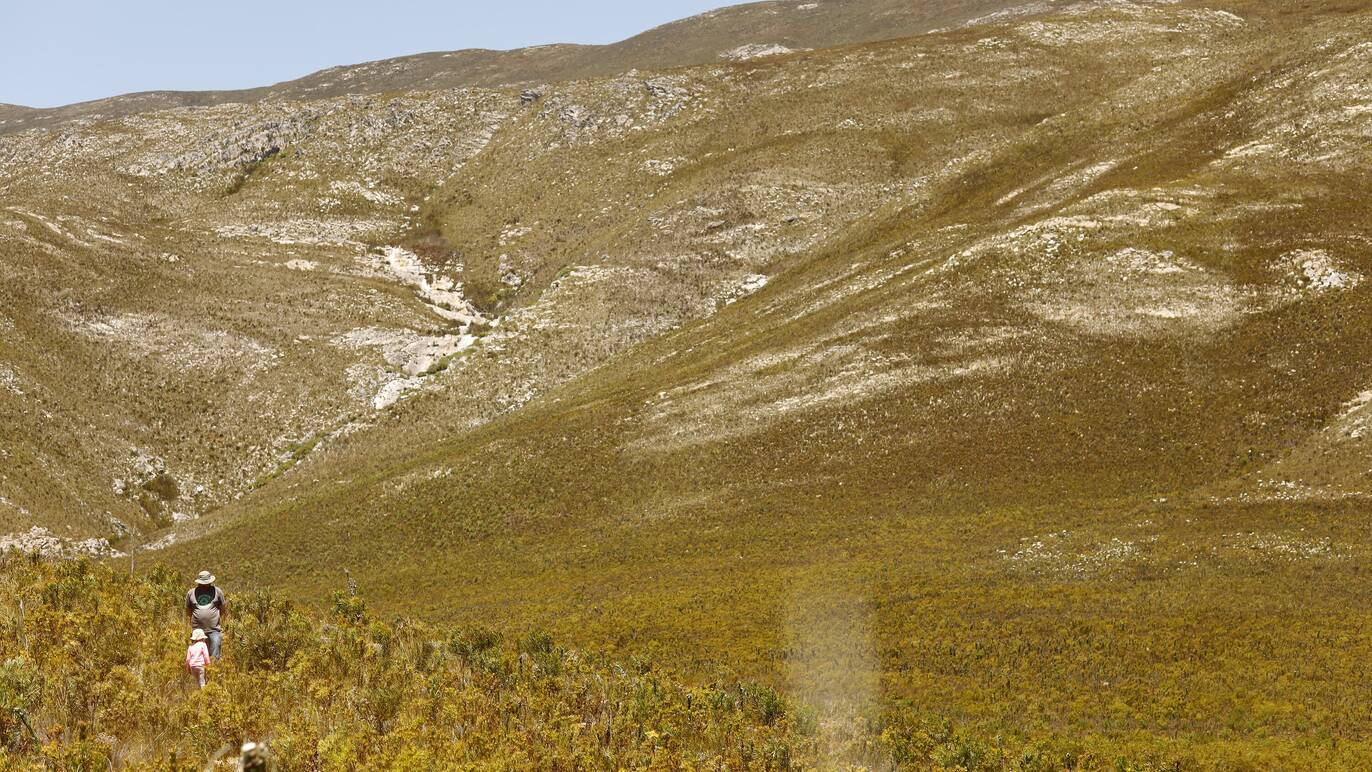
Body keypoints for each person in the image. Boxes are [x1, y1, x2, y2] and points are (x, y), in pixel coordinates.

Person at [186, 570, 227, 661]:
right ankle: (201, 674)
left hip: (214, 629)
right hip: (197, 631)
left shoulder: (217, 592)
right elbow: (188, 611)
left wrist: (218, 622)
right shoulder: (191, 593)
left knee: (215, 654)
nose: (205, 585)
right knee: (198, 656)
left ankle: (213, 672)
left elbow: (223, 609)